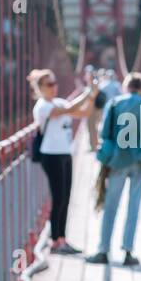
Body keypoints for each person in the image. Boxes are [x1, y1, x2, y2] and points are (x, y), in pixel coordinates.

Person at [86, 72, 141, 266]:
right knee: (133, 206)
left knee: (111, 205)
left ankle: (103, 250)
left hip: (118, 161)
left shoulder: (114, 104)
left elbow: (104, 133)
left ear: (125, 87)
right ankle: (128, 252)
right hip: (140, 162)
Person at [29, 67, 98, 254]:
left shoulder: (57, 102)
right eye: (50, 84)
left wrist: (92, 96)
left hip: (65, 153)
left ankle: (61, 238)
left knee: (65, 197)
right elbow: (70, 108)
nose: (54, 87)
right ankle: (55, 241)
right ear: (40, 88)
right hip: (50, 156)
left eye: (55, 83)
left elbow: (82, 113)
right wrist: (87, 91)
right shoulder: (43, 107)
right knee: (58, 198)